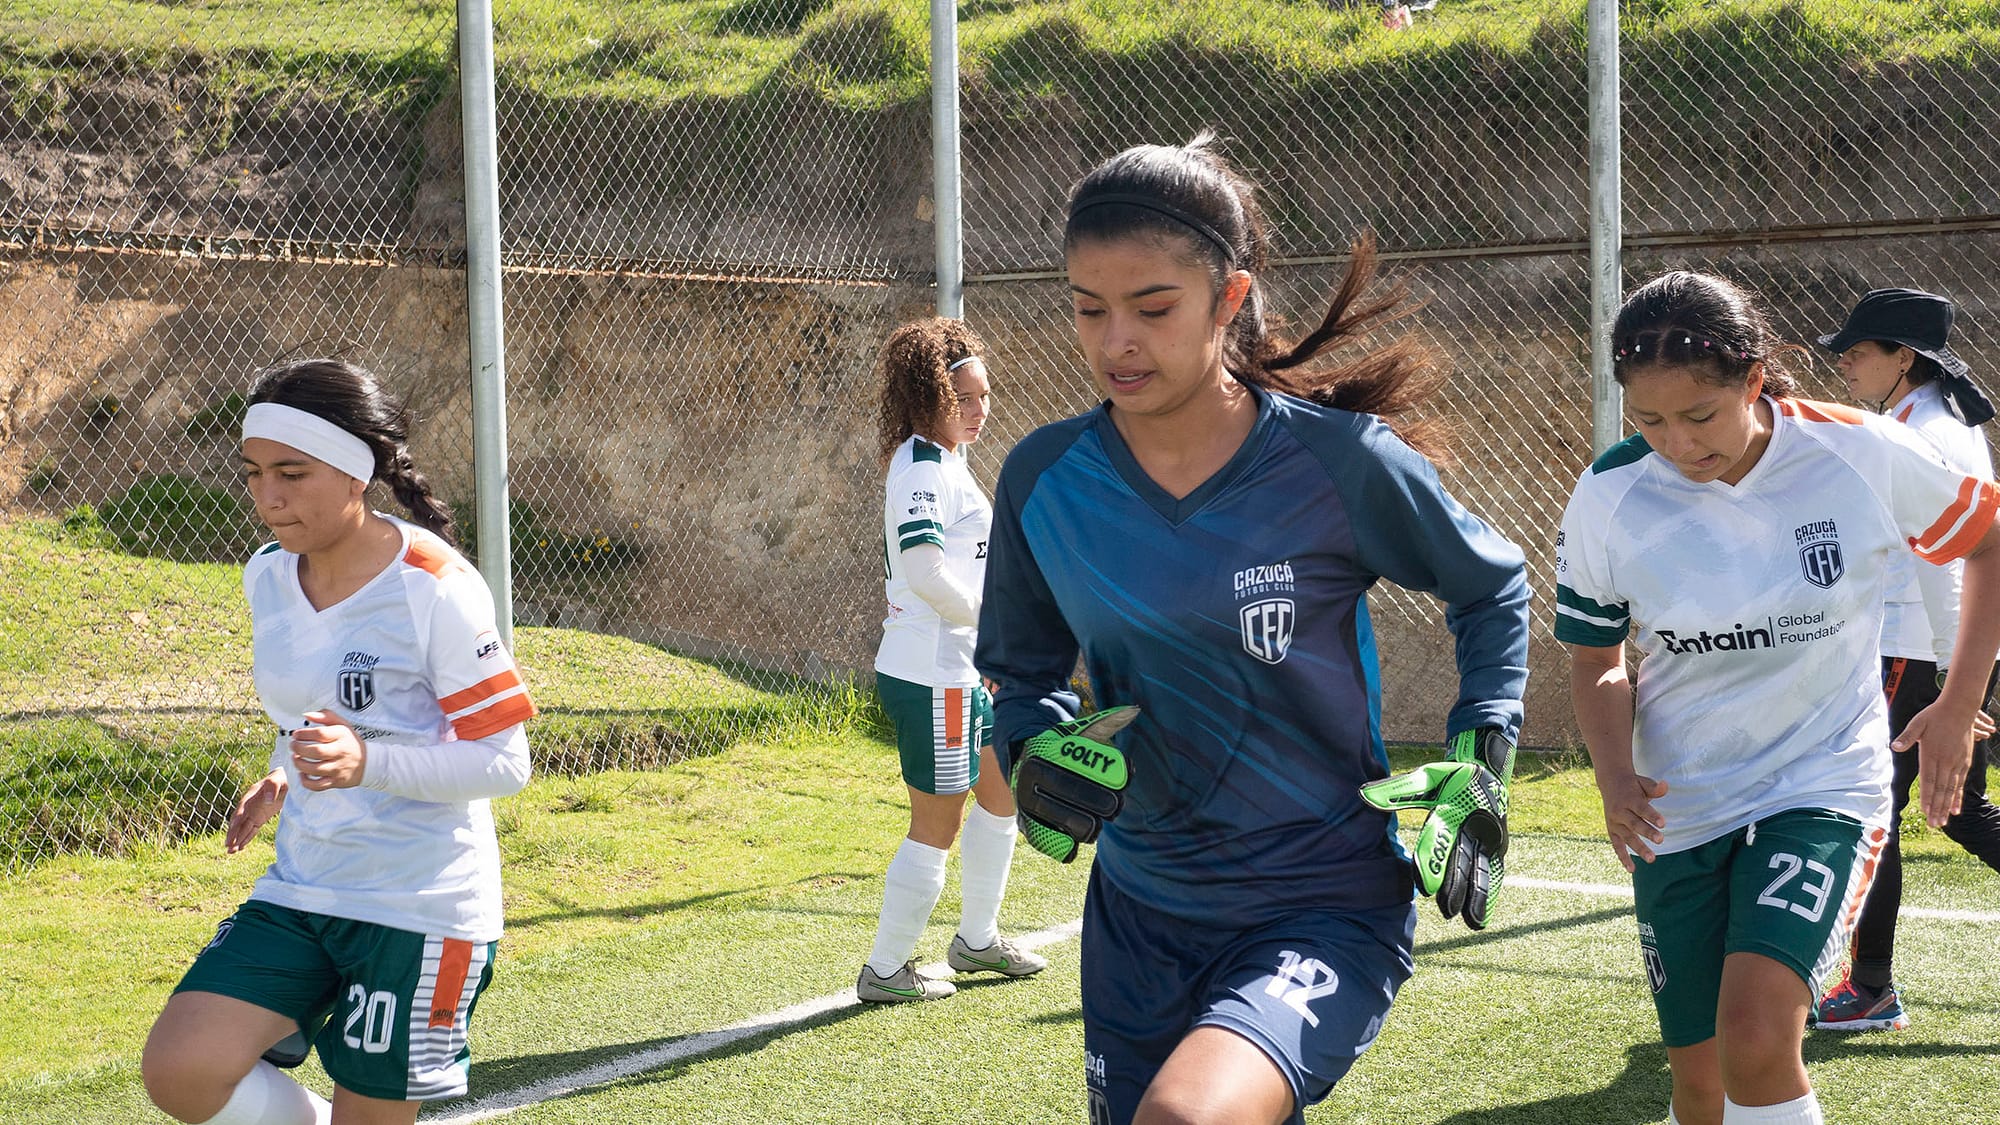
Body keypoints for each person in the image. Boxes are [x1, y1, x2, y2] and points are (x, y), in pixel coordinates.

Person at [975, 135, 1530, 1125]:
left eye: (1152, 308)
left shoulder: (1338, 465)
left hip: (1316, 904)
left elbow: (1489, 588)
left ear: (1227, 300)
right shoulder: (1043, 479)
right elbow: (1020, 678)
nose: (1114, 343)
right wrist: (1033, 755)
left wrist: (1478, 753)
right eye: (1086, 308)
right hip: (1138, 915)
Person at [1556, 272, 2000, 1125]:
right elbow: (1597, 659)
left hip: (1822, 780)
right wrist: (1615, 778)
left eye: (1699, 416)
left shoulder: (1858, 450)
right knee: (1699, 1081)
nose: (1677, 445)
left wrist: (1955, 703)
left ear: (1754, 380)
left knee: (1756, 1037)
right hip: (1678, 799)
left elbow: (1990, 546)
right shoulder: (1611, 494)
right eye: (1649, 422)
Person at [141, 357, 536, 1125]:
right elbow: (309, 710)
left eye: (293, 472)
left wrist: (366, 763)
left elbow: (504, 761)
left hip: (421, 907)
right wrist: (284, 770)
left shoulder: (434, 585)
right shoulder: (267, 574)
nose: (268, 497)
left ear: (356, 474)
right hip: (307, 883)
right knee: (181, 1070)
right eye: (254, 473)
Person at [1814, 287, 2000, 1031]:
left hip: (1917, 654)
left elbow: (1946, 565)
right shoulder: (1932, 421)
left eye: (1860, 351)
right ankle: (1870, 983)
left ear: (1905, 358)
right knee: (1959, 811)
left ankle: (1869, 987)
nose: (1847, 363)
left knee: (1871, 810)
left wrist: (1957, 693)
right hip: (1939, 652)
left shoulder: (1917, 433)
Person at [857, 317, 1047, 1004]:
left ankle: (976, 940)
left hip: (965, 667)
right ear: (928, 394)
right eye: (964, 397)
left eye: (986, 395)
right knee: (938, 825)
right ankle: (884, 969)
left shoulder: (949, 461)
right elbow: (925, 570)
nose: (980, 409)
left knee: (999, 794)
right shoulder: (921, 466)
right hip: (932, 671)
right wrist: (998, 626)